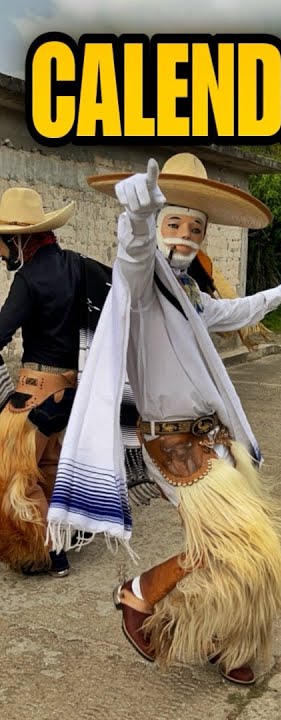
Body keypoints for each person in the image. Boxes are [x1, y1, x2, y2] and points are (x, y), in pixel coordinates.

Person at [50, 155, 281, 685]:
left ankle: (227, 637)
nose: (186, 236)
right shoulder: (141, 288)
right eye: (175, 223)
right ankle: (141, 595)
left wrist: (274, 298)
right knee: (243, 545)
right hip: (174, 446)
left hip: (210, 440)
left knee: (248, 550)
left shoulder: (186, 293)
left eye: (195, 227)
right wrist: (139, 221)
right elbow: (134, 259)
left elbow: (228, 314)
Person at [0, 187, 111, 577]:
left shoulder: (29, 278)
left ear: (17, 239)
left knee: (12, 474)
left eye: (2, 244)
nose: (1, 254)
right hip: (72, 395)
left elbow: (1, 332)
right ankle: (60, 550)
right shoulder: (83, 267)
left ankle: (40, 553)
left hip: (35, 394)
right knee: (49, 470)